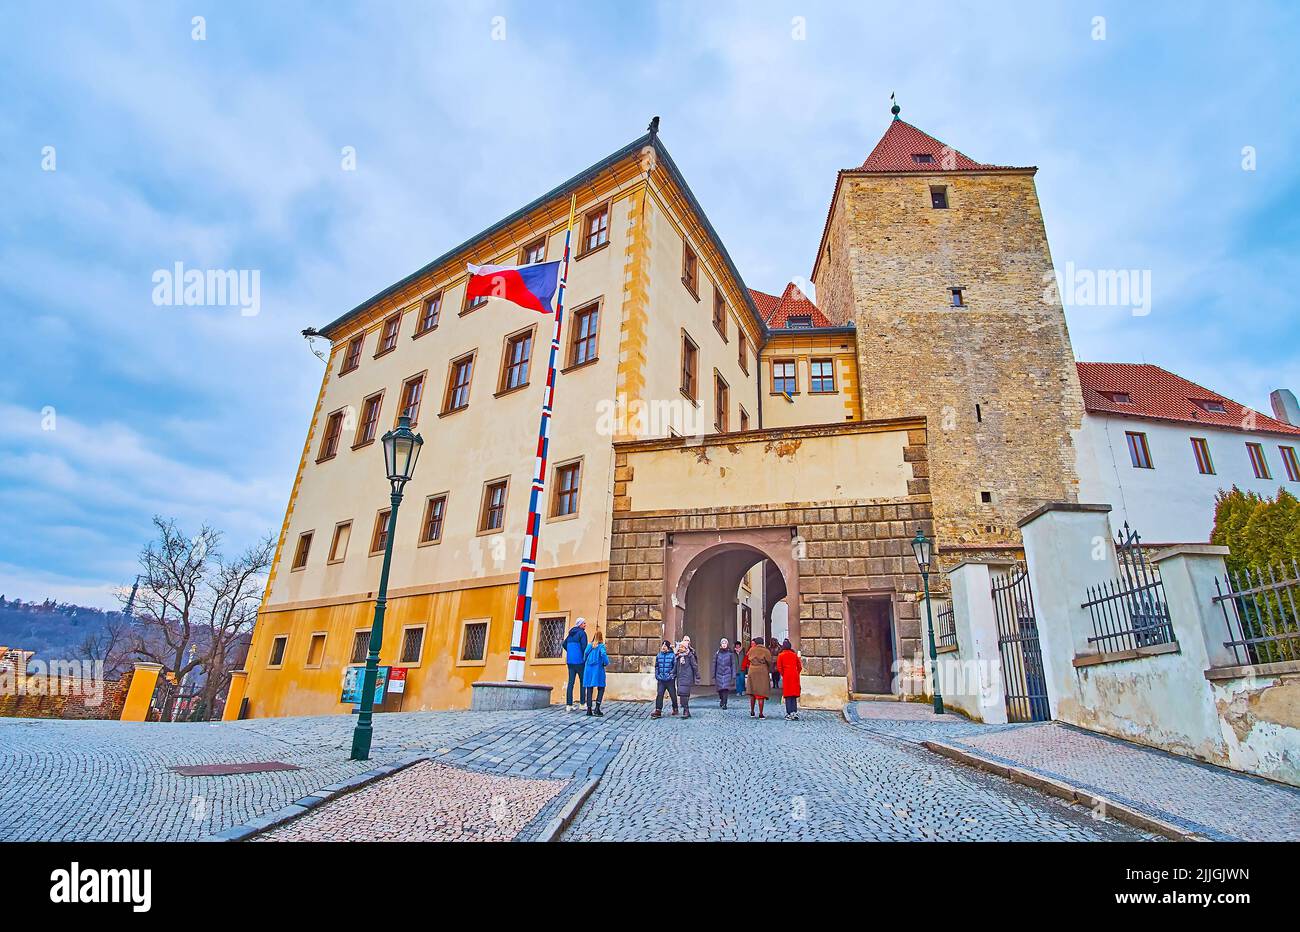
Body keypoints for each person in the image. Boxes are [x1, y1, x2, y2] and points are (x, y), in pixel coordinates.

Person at [562, 617, 588, 711]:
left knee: (571, 683)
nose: (585, 625)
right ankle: (582, 704)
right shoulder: (582, 633)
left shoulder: (570, 635)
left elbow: (564, 644)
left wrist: (570, 652)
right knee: (582, 682)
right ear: (580, 624)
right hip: (580, 662)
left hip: (570, 662)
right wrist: (584, 657)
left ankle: (569, 705)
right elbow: (584, 647)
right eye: (584, 623)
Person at [582, 628, 609, 716]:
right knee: (601, 687)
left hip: (588, 669)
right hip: (598, 669)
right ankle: (597, 708)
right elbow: (603, 654)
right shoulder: (601, 646)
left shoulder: (590, 645)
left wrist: (585, 661)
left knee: (589, 688)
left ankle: (589, 709)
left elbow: (585, 653)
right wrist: (606, 662)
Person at [744, 636, 772, 719]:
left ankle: (752, 712)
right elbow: (769, 661)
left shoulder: (752, 649)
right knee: (760, 694)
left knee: (752, 693)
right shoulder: (765, 651)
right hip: (762, 671)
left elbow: (748, 657)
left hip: (752, 670)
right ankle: (761, 713)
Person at [776, 638, 803, 720]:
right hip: (794, 674)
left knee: (788, 695)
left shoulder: (781, 655)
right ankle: (794, 712)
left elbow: (779, 667)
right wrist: (796, 672)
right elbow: (799, 666)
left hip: (787, 675)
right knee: (794, 694)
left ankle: (789, 712)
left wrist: (783, 674)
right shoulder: (794, 655)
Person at [651, 639, 679, 718]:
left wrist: (672, 675)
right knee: (660, 694)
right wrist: (657, 675)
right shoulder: (659, 655)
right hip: (661, 679)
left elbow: (675, 666)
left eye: (665, 645)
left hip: (670, 680)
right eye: (662, 645)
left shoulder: (672, 655)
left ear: (668, 647)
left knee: (673, 695)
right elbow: (656, 666)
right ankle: (658, 710)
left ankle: (675, 708)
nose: (663, 647)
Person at [675, 637, 700, 719]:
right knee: (681, 694)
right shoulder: (678, 656)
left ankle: (686, 710)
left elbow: (694, 666)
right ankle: (686, 710)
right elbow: (675, 667)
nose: (680, 648)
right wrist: (672, 673)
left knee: (684, 694)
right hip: (680, 677)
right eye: (680, 647)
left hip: (687, 677)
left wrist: (697, 676)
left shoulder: (690, 656)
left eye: (682, 647)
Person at [712, 637, 737, 709]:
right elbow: (714, 664)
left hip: (727, 673)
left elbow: (733, 664)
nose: (724, 644)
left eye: (725, 643)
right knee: (720, 689)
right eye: (723, 643)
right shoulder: (717, 653)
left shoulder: (730, 654)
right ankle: (721, 700)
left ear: (727, 644)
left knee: (725, 689)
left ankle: (725, 704)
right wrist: (713, 674)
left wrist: (733, 674)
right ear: (720, 644)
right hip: (719, 673)